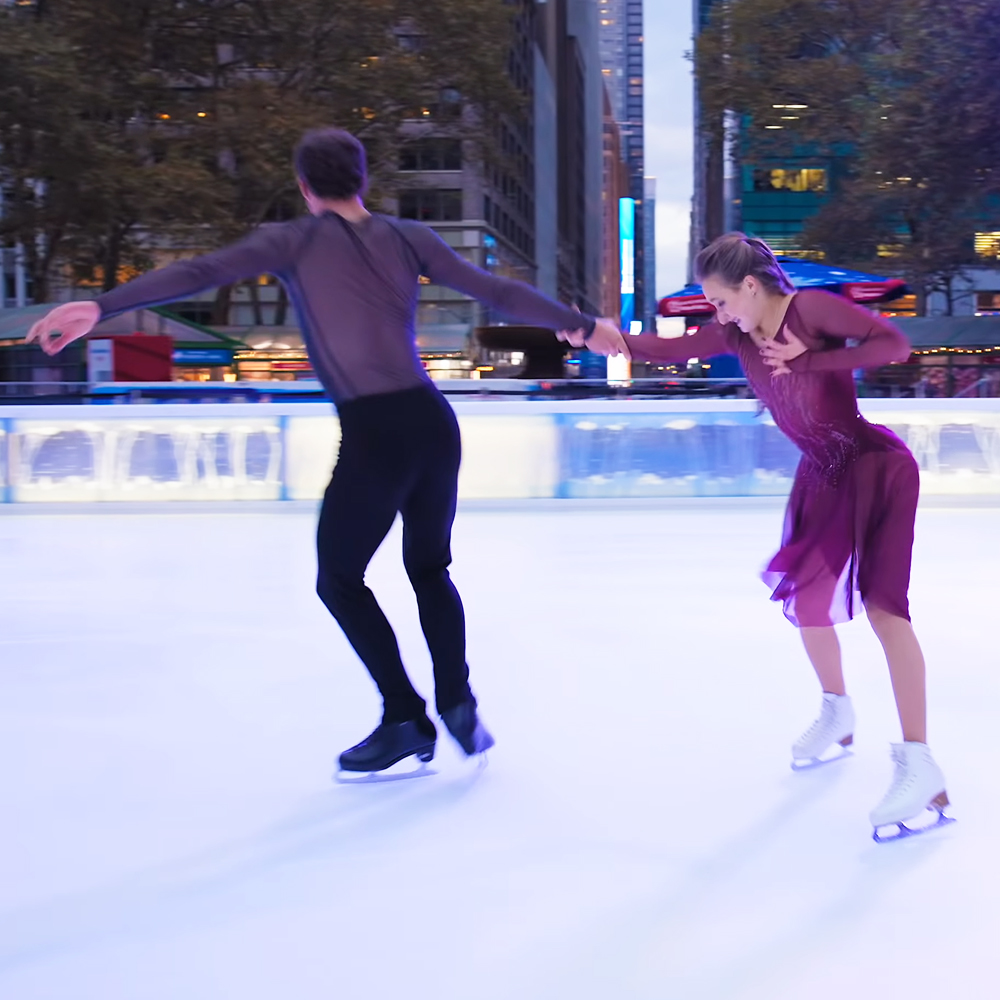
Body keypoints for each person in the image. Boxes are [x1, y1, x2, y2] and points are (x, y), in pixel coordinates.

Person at [26, 127, 630, 777]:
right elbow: (495, 290)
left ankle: (405, 714)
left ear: (305, 186)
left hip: (376, 431)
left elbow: (200, 272)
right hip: (433, 424)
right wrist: (579, 323)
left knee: (338, 580)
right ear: (363, 181)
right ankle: (457, 701)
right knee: (430, 570)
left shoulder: (295, 239)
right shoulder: (409, 237)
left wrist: (102, 303)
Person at [560, 233, 950, 841]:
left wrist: (810, 361)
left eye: (721, 300)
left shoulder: (811, 310)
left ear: (749, 285)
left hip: (874, 466)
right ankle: (838, 712)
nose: (718, 315)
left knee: (883, 610)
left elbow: (893, 343)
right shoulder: (737, 334)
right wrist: (592, 331)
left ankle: (920, 763)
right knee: (810, 598)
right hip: (824, 473)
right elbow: (663, 348)